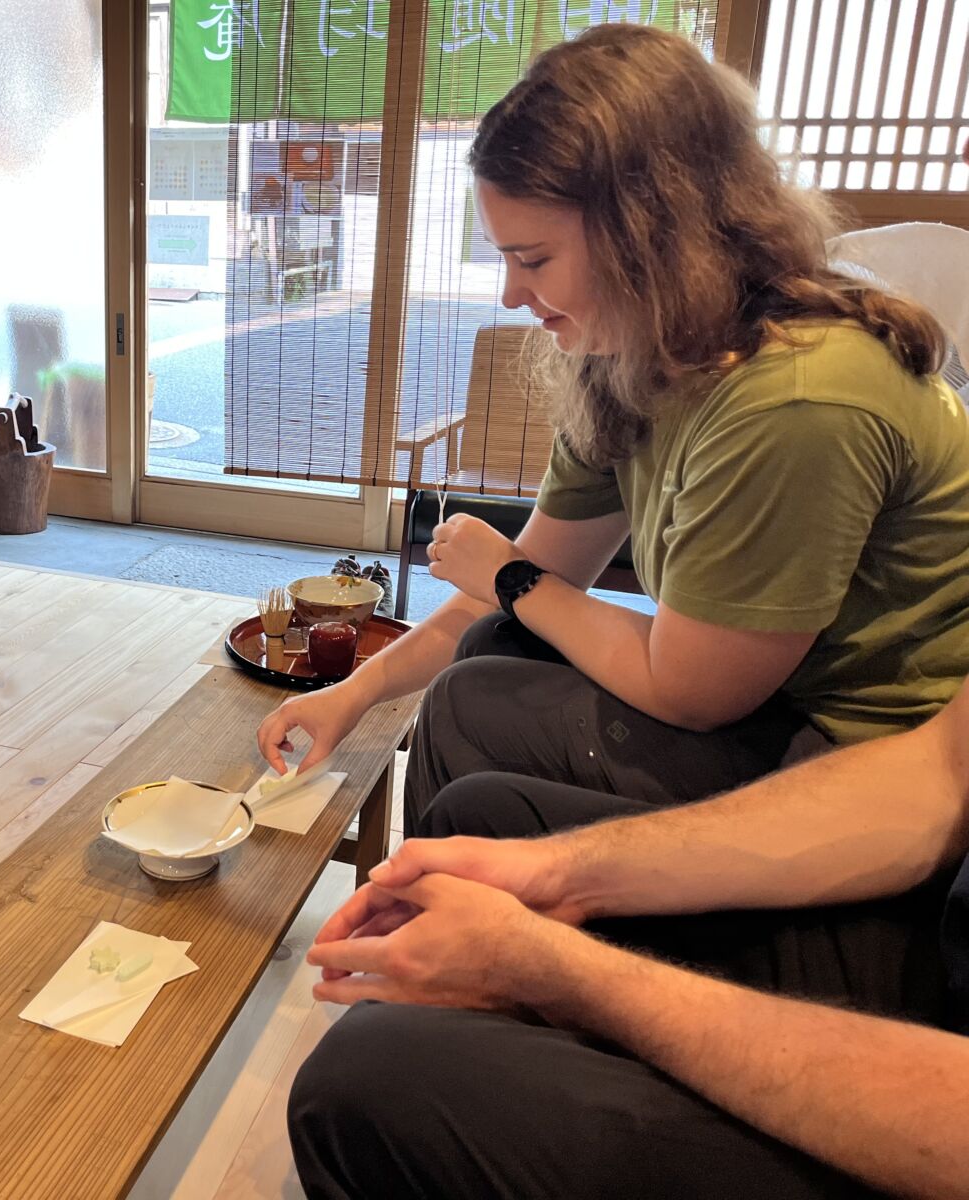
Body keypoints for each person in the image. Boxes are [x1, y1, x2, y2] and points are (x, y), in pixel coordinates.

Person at [257, 24, 969, 837]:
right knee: (484, 663)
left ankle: (444, 932)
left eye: (533, 260)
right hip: (778, 710)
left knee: (479, 779)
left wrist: (515, 583)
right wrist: (351, 694)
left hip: (884, 766)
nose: (510, 295)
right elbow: (522, 583)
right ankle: (429, 932)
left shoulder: (798, 398)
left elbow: (689, 692)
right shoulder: (633, 354)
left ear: (655, 236)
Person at [286, 681, 969, 1199]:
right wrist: (561, 873)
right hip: (933, 942)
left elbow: (696, 681)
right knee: (488, 818)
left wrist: (556, 971)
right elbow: (942, 771)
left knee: (364, 1078)